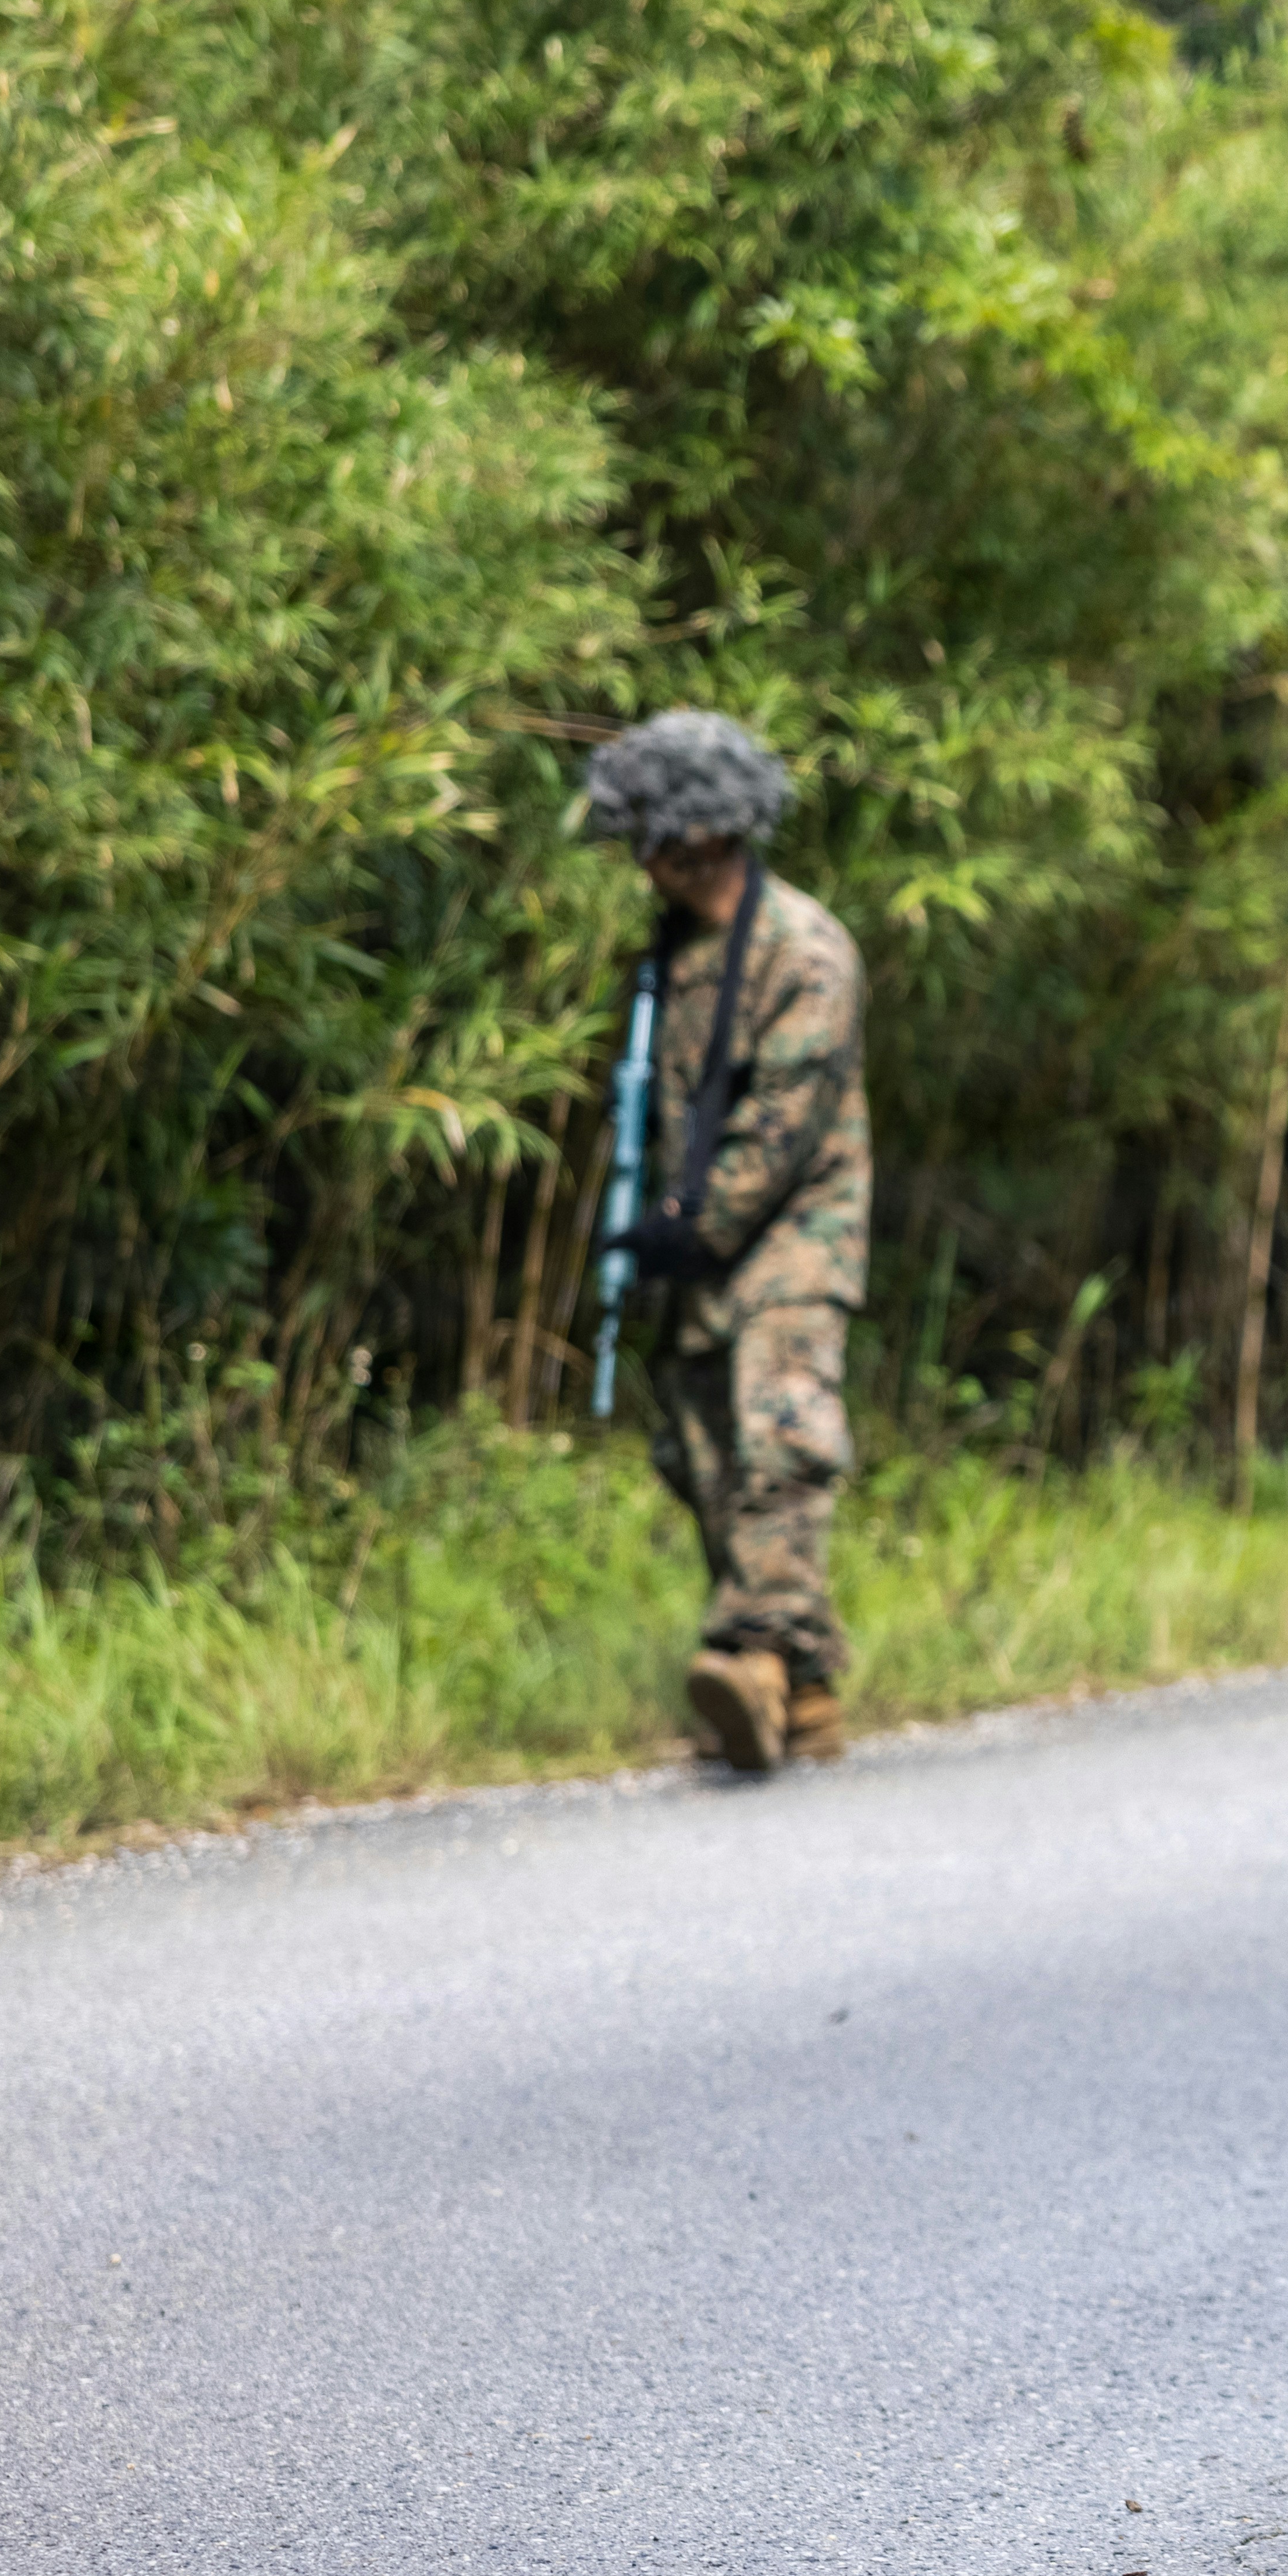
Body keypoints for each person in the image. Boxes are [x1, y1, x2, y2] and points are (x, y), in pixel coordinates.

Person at [579, 710, 871, 1778]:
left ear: (693, 836)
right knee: (701, 1452)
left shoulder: (805, 949)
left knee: (778, 1437)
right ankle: (803, 1695)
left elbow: (783, 1128)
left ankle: (750, 1654)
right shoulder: (680, 953)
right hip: (704, 1241)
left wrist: (686, 1233)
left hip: (795, 1233)